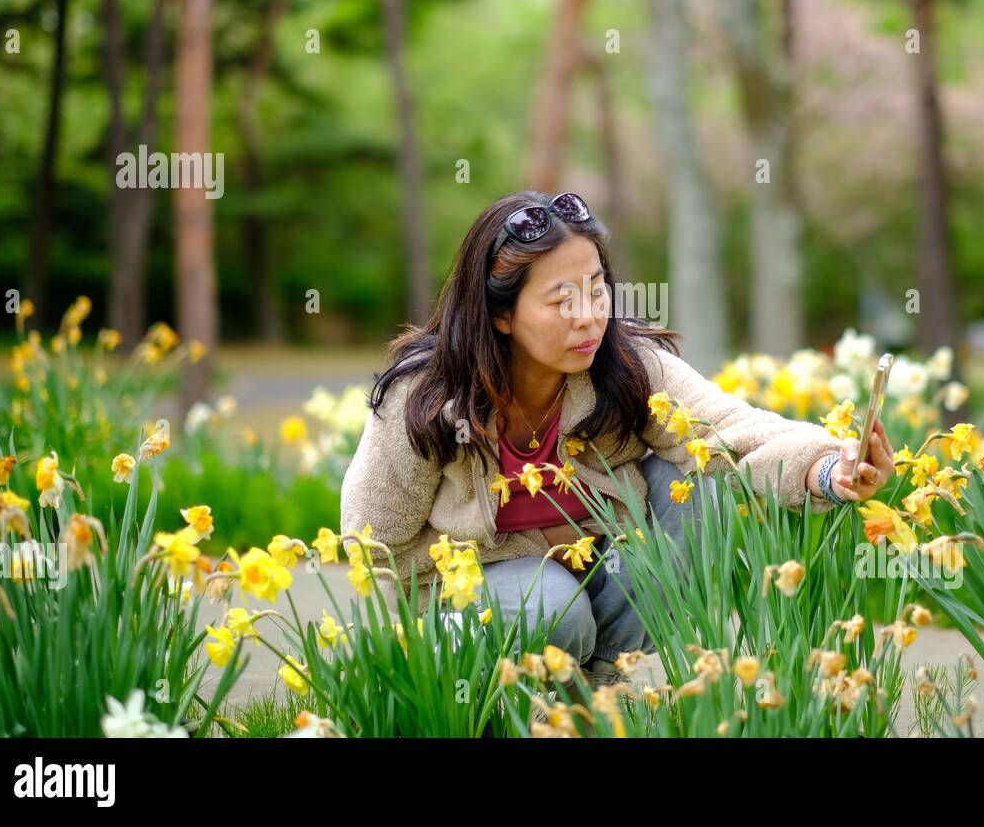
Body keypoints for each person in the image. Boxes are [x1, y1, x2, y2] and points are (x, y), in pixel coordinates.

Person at [340, 190, 895, 690]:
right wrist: (409, 664)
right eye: (562, 301)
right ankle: (498, 691)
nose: (589, 318)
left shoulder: (625, 370)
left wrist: (830, 468)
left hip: (597, 577)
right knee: (552, 608)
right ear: (501, 314)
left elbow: (730, 433)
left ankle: (595, 683)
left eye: (596, 289)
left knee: (697, 484)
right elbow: (373, 538)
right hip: (472, 596)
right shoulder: (429, 398)